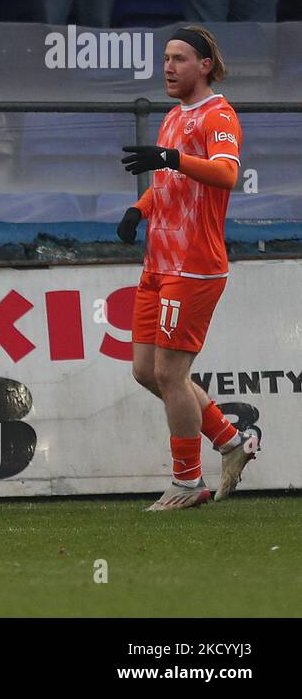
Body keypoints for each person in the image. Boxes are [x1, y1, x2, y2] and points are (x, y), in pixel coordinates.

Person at [115, 26, 257, 510]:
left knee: (172, 375)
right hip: (158, 264)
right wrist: (141, 207)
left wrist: (172, 157)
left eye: (179, 58)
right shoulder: (174, 117)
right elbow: (170, 182)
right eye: (166, 58)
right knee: (144, 371)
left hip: (194, 267)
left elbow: (226, 173)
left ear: (206, 66)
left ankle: (188, 481)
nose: (169, 67)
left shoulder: (219, 115)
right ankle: (231, 440)